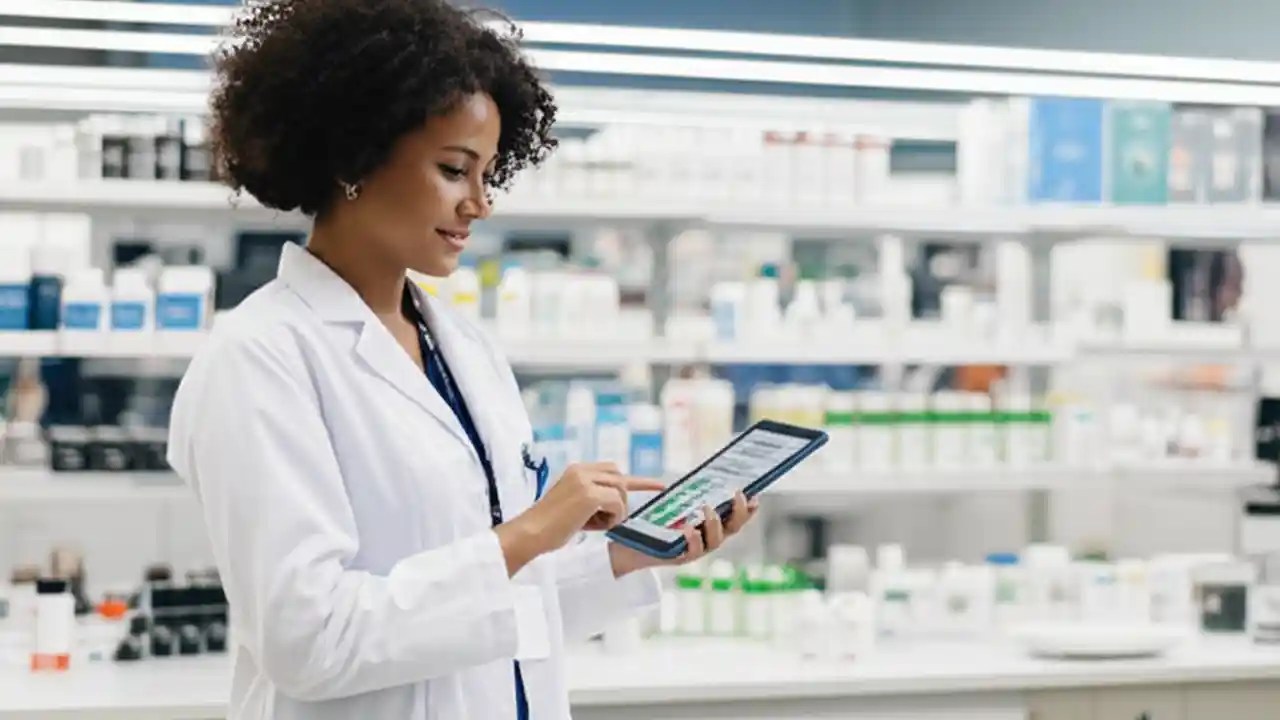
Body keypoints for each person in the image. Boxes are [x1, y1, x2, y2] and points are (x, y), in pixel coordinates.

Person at [165, 1, 759, 719]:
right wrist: (531, 531)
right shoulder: (258, 359)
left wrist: (629, 554)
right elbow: (308, 640)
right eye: (454, 170)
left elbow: (496, 612)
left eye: (488, 175)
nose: (479, 203)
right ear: (355, 157)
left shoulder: (465, 351)